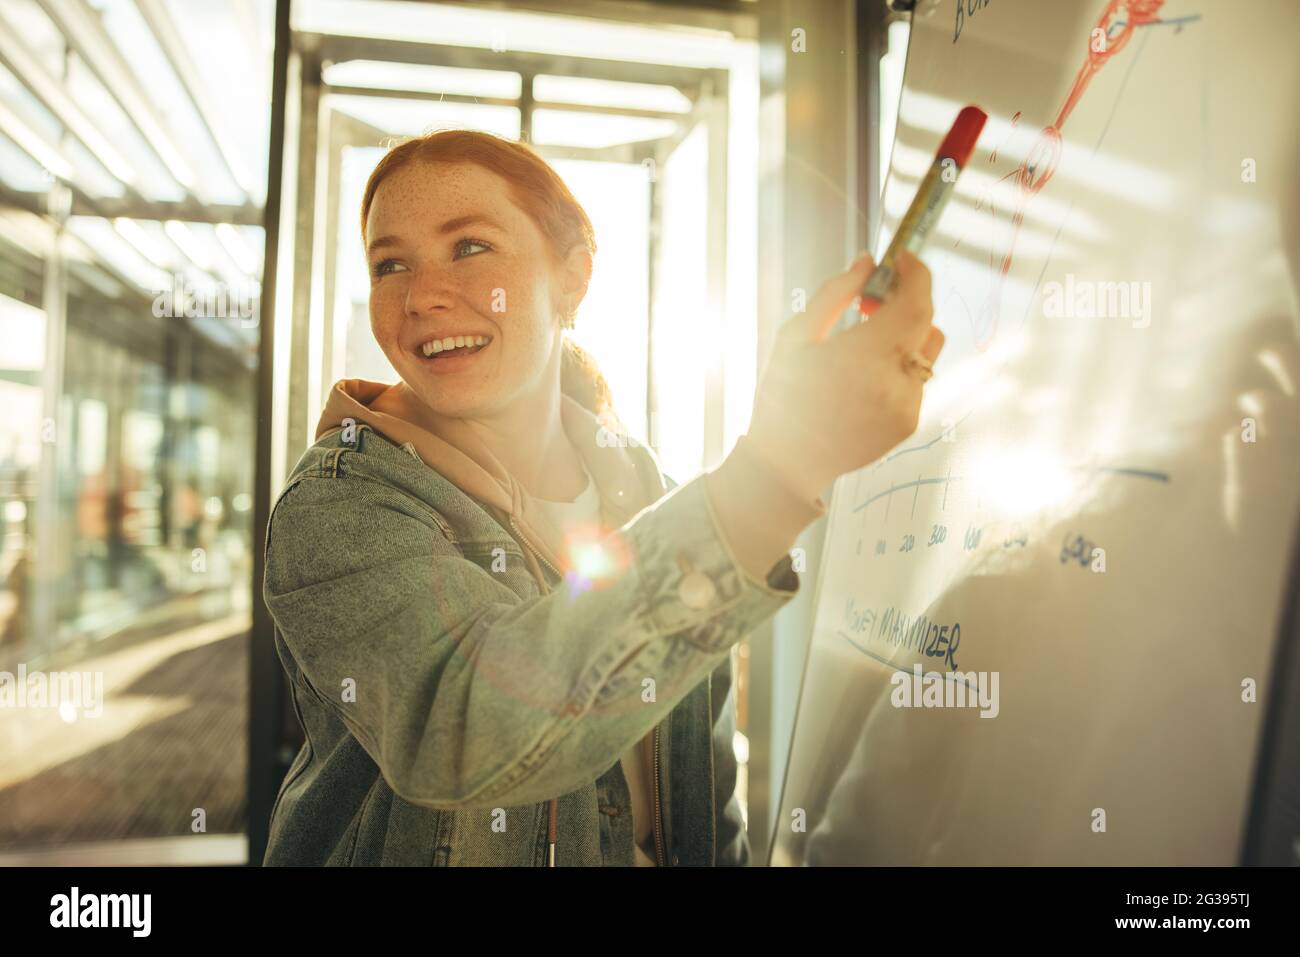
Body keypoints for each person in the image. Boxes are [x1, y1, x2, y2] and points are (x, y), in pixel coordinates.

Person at [261, 129, 943, 866]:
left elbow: (705, 807)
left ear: (573, 279)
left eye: (469, 248)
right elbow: (461, 732)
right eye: (389, 263)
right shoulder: (342, 503)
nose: (422, 294)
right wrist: (775, 475)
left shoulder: (651, 495)